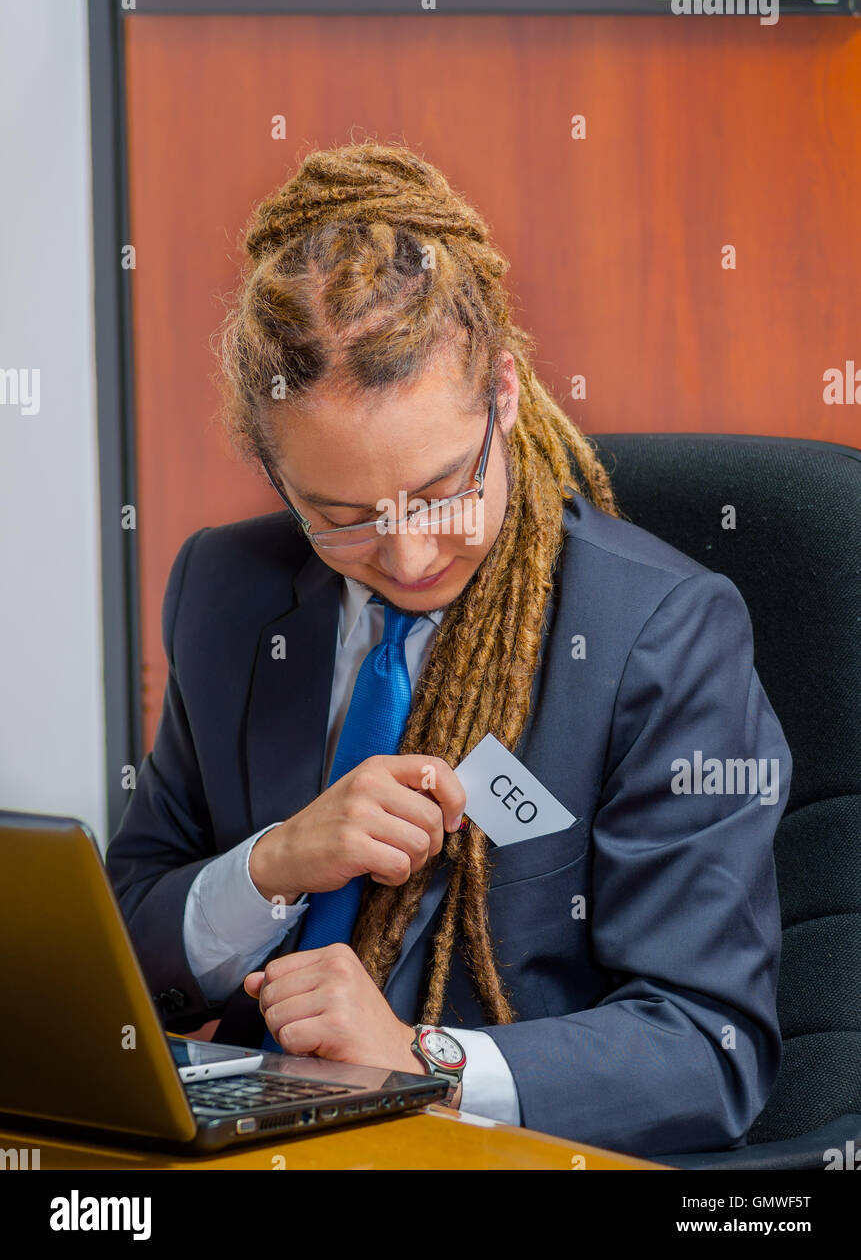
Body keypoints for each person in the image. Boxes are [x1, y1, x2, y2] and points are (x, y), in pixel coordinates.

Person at [106, 139, 792, 1157]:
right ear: (272, 471)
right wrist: (271, 864)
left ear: (504, 398)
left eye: (442, 491)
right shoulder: (226, 591)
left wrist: (423, 1059)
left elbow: (709, 1044)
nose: (411, 552)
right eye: (343, 516)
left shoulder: (663, 633)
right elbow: (120, 951)